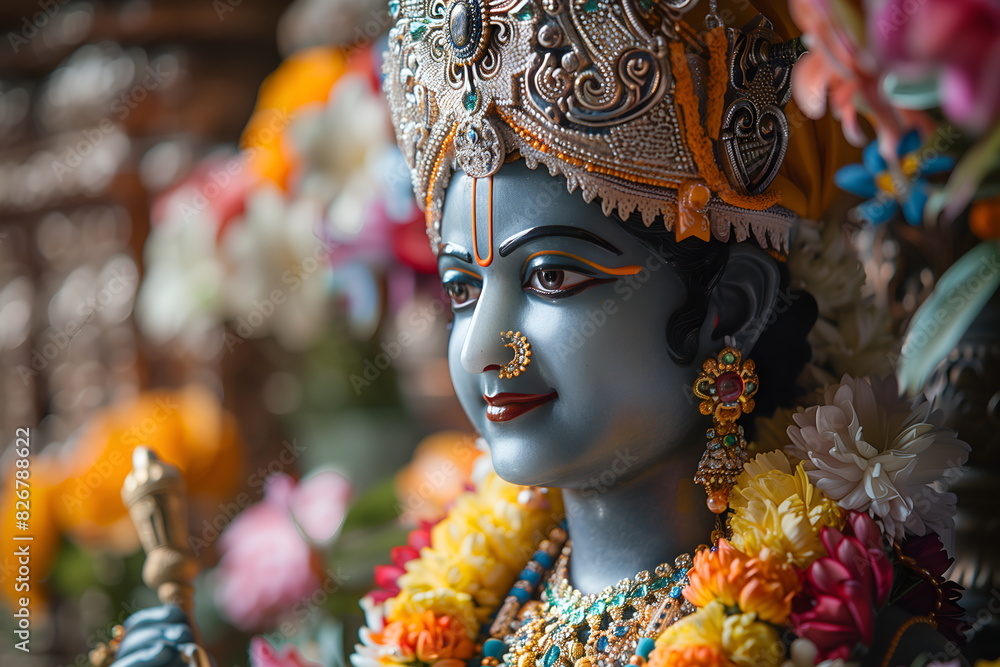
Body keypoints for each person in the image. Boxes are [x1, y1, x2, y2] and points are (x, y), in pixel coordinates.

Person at [108, 0, 972, 665]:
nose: (486, 347)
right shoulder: (469, 610)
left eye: (553, 276)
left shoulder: (854, 628)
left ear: (726, 310)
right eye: (459, 288)